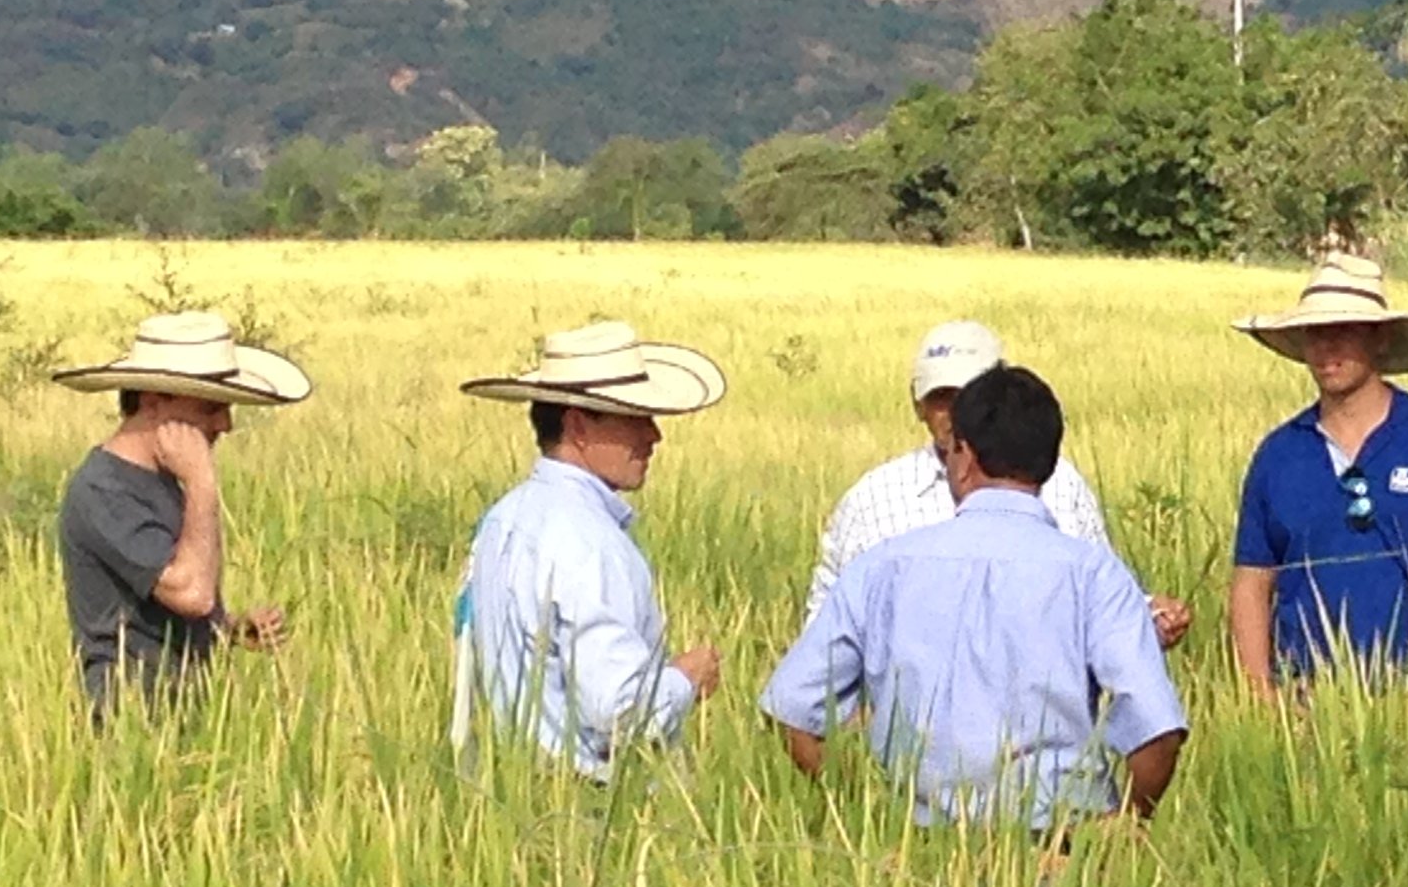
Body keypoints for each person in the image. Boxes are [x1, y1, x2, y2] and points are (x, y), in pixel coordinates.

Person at [763, 363, 1186, 844]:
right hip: (1064, 846)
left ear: (962, 455)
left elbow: (791, 710)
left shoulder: (883, 567)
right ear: (1049, 460)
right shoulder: (1094, 573)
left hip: (912, 848)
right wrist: (1127, 822)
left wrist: (860, 805)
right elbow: (1157, 731)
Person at [453, 321, 729, 780]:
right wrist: (685, 679)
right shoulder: (588, 542)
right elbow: (619, 713)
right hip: (581, 803)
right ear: (579, 425)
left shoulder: (502, 518)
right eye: (634, 419)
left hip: (501, 785)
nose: (653, 436)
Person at [807, 319, 1191, 649]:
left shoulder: (1060, 483)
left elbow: (1098, 597)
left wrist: (1150, 618)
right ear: (917, 405)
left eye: (969, 395)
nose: (955, 413)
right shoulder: (872, 498)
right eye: (941, 398)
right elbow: (824, 628)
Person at [1228, 253, 1408, 694]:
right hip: (1304, 703)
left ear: (1379, 338)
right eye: (1315, 334)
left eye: (1344, 331)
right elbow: (1251, 584)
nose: (1327, 349)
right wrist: (1264, 700)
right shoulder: (1278, 455)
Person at [52, 311, 311, 716]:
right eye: (210, 408)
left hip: (180, 708)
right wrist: (202, 483)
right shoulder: (105, 490)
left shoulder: (161, 480)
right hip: (129, 715)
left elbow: (165, 606)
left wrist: (231, 630)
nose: (225, 424)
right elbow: (192, 593)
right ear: (155, 403)